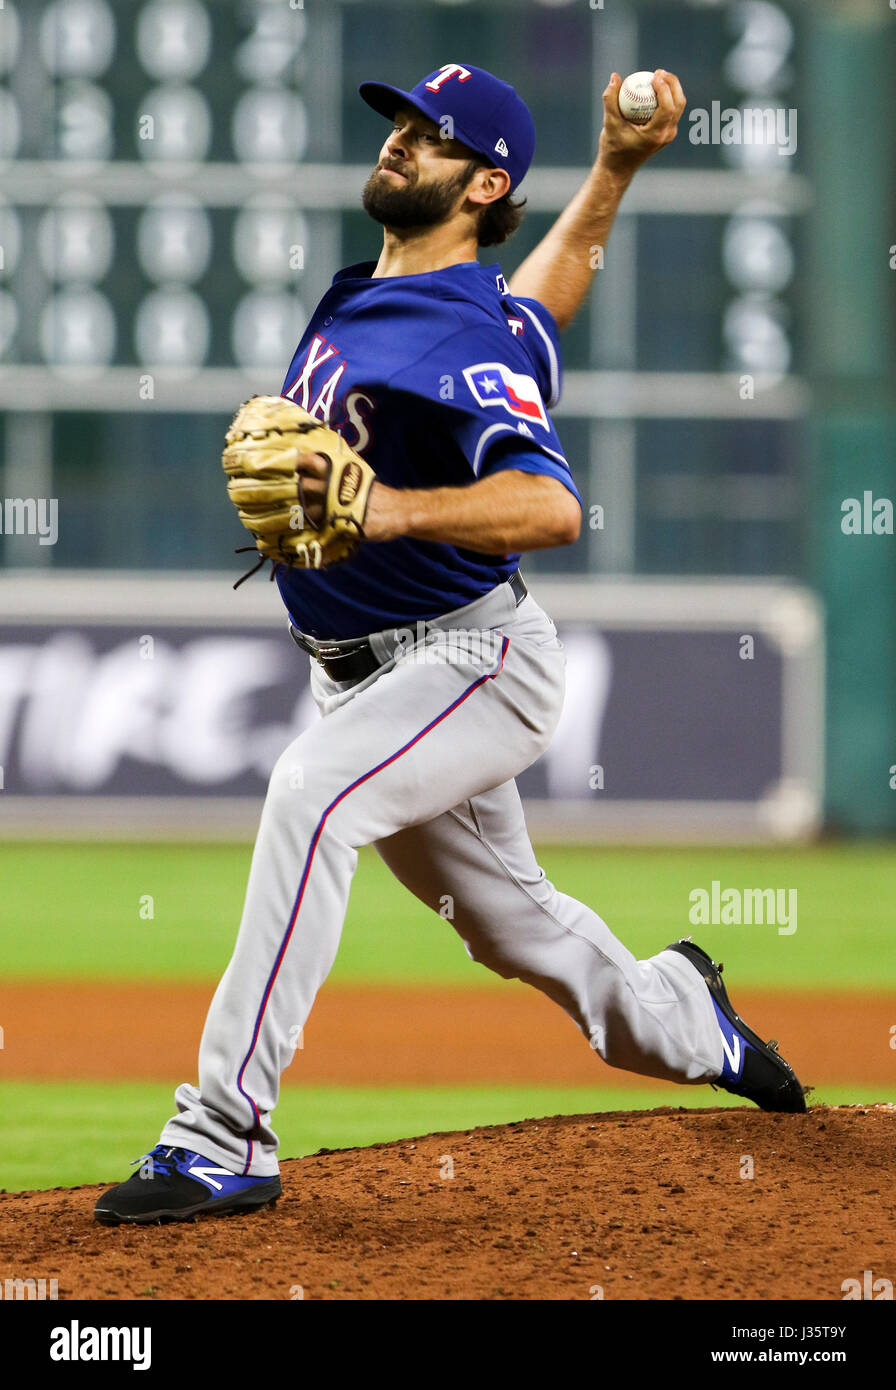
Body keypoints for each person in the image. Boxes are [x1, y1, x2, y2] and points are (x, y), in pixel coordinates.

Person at [95, 63, 805, 1227]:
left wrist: (384, 511)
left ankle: (221, 1134)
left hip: (467, 662)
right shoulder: (402, 302)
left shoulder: (452, 331)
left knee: (310, 800)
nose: (399, 141)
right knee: (513, 929)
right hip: (374, 675)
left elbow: (550, 507)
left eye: (432, 136)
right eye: (400, 122)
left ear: (482, 183)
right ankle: (685, 1013)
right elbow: (537, 310)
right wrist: (617, 170)